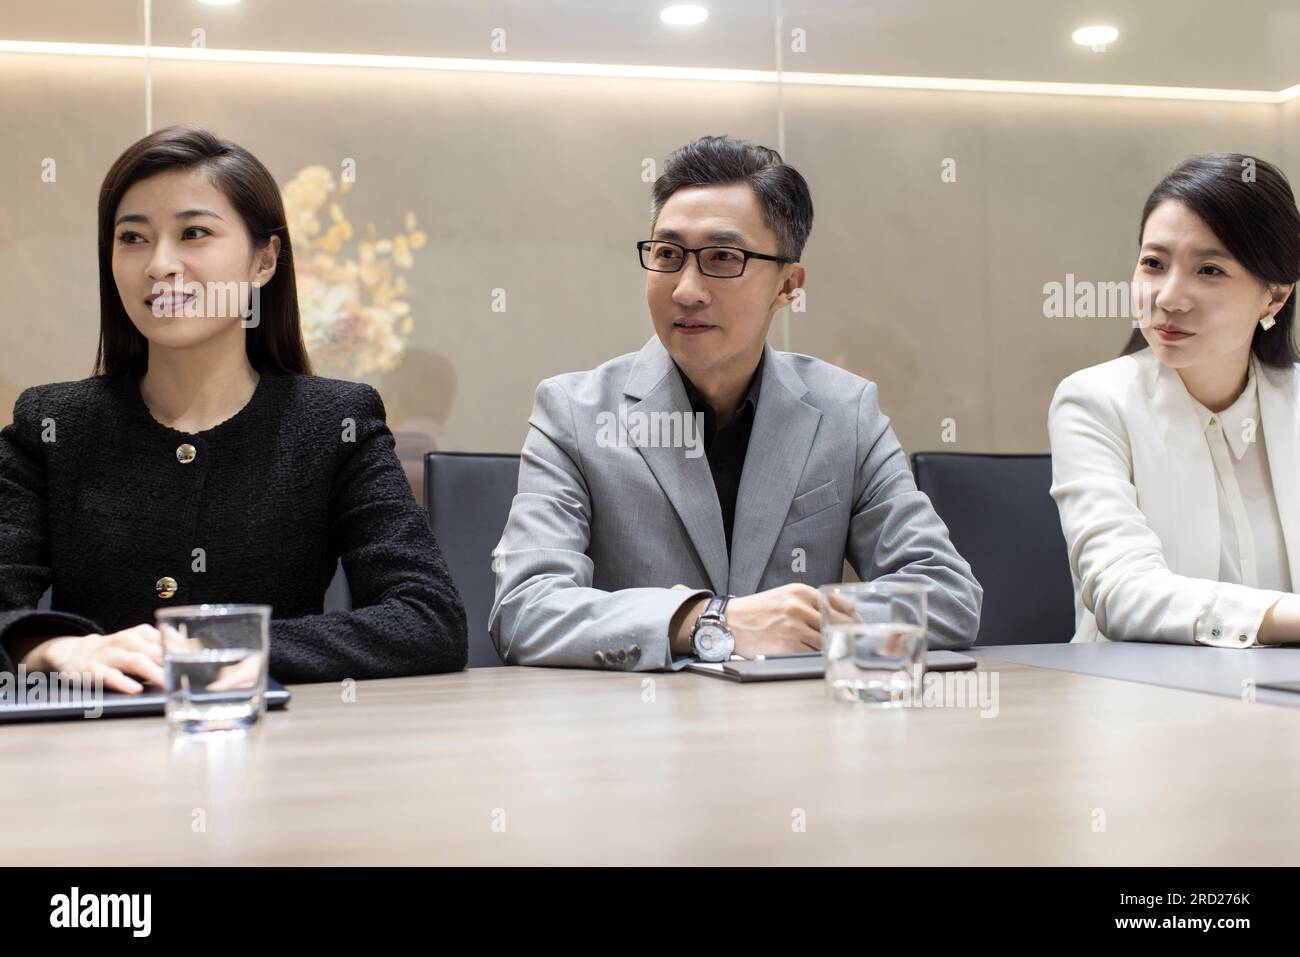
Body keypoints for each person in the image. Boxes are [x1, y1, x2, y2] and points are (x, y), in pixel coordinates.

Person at [0, 125, 468, 691]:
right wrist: (54, 648)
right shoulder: (52, 426)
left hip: (267, 747)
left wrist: (247, 647)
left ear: (264, 260)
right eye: (132, 238)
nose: (159, 265)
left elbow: (428, 618)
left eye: (194, 233)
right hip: (90, 750)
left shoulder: (334, 423)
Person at [490, 135, 981, 670]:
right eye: (668, 255)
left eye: (723, 257)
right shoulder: (574, 413)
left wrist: (800, 620)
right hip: (635, 734)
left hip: (798, 732)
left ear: (788, 285)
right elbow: (524, 612)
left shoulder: (847, 412)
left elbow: (949, 596)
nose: (686, 289)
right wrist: (708, 622)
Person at [1049, 153, 1300, 646]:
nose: (1168, 297)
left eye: (1209, 270)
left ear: (1274, 296)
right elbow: (1123, 592)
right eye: (1154, 264)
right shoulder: (1093, 401)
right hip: (1142, 701)